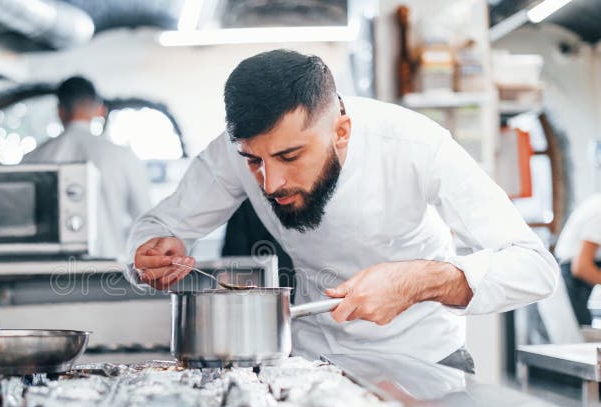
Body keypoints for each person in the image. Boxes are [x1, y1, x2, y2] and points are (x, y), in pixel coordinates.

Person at [129, 50, 558, 374]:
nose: (270, 183)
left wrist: (420, 280)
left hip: (425, 363)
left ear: (341, 131)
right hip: (312, 368)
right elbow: (160, 225)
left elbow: (534, 266)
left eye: (290, 155)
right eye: (254, 161)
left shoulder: (416, 146)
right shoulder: (234, 153)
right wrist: (149, 252)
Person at [25, 76, 152, 259]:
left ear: (60, 112)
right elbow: (145, 221)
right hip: (110, 271)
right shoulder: (122, 156)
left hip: (45, 273)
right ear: (100, 111)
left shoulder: (33, 158)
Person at [554, 194, 601, 325]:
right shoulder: (599, 213)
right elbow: (581, 267)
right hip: (567, 283)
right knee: (575, 340)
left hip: (574, 283)